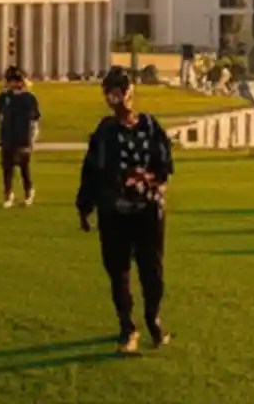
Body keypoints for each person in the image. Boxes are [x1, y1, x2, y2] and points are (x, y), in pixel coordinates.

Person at [76, 67, 175, 354]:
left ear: (132, 92)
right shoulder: (105, 132)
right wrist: (85, 207)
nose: (118, 100)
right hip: (115, 213)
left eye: (122, 92)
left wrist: (148, 179)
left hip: (148, 211)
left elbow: (165, 166)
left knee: (152, 272)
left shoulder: (150, 126)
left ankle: (152, 319)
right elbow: (91, 171)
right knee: (118, 272)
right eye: (112, 94)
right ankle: (126, 327)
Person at [0, 67, 41, 208]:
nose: (13, 84)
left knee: (24, 167)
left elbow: (34, 120)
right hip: (8, 136)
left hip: (23, 137)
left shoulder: (29, 98)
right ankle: (8, 194)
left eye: (16, 81)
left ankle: (28, 192)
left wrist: (31, 140)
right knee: (7, 168)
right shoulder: (4, 97)